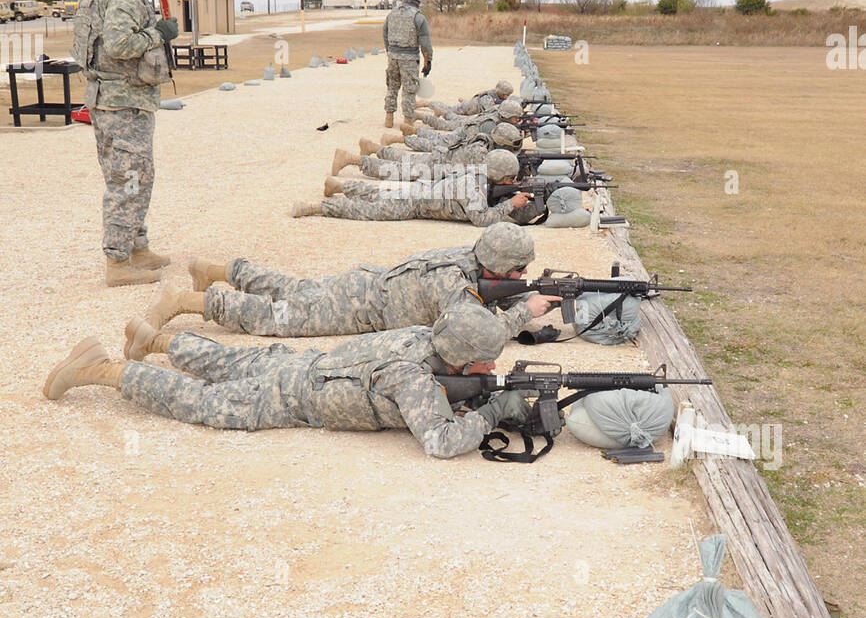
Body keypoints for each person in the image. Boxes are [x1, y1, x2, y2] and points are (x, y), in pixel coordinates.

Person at [43, 304, 531, 461]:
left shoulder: (424, 337)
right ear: (462, 360)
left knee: (226, 361)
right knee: (200, 401)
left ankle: (154, 340)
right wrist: (492, 411)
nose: (490, 369)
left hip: (301, 363)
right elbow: (441, 443)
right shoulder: (416, 381)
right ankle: (99, 370)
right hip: (289, 398)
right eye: (486, 363)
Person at [123, 222, 560, 351]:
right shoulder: (454, 286)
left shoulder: (468, 254)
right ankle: (185, 300)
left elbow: (487, 290)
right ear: (500, 265)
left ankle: (215, 268)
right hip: (359, 309)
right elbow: (473, 333)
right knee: (276, 318)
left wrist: (522, 293)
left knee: (290, 288)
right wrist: (525, 312)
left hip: (366, 283)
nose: (521, 278)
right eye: (517, 271)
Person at [72, 0, 178, 285]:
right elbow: (119, 45)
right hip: (124, 102)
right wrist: (159, 34)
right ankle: (118, 261)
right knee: (129, 179)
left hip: (111, 100)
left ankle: (137, 246)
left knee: (135, 176)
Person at [291, 149, 532, 226]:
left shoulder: (478, 175)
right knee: (365, 211)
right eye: (509, 178)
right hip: (413, 204)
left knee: (379, 192)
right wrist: (512, 204)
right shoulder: (473, 187)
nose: (511, 182)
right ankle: (317, 207)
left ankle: (341, 185)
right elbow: (481, 219)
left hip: (421, 190)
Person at [329, 120, 522, 181]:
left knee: (402, 159)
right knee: (396, 170)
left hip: (441, 160)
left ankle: (372, 147)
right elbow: (490, 174)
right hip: (439, 165)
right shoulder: (482, 151)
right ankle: (349, 158)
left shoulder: (485, 143)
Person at [382, 0, 432, 127]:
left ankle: (389, 118)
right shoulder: (418, 17)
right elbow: (425, 42)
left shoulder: (391, 14)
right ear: (417, 1)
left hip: (392, 57)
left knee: (392, 87)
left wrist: (390, 51)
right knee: (409, 90)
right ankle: (407, 121)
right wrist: (428, 62)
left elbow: (385, 34)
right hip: (409, 59)